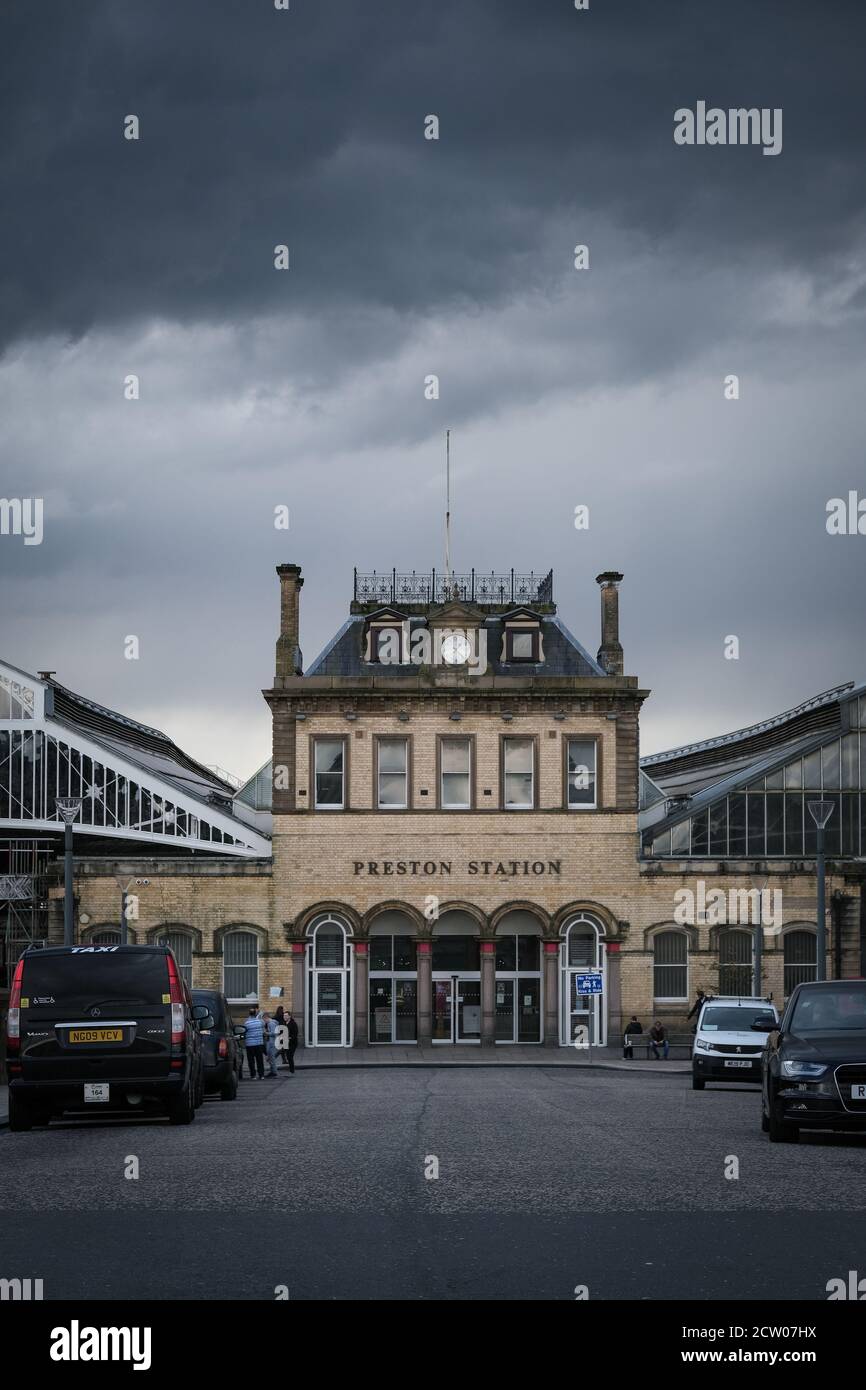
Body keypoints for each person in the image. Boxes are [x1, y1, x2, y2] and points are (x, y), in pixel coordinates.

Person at [243, 1006, 265, 1080]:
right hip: (259, 1044)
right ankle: (261, 1075)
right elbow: (263, 1026)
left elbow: (244, 1032)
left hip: (250, 1044)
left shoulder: (246, 1023)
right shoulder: (260, 1022)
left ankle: (253, 1075)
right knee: (260, 1060)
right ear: (255, 1014)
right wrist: (259, 1014)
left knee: (251, 1061)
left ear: (249, 1014)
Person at [262, 1012, 279, 1077]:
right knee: (271, 1058)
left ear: (266, 1018)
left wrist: (266, 1033)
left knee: (272, 1058)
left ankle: (274, 1072)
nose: (264, 1021)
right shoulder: (271, 1023)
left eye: (264, 1020)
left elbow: (274, 1033)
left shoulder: (271, 1023)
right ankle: (272, 1071)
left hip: (272, 1043)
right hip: (271, 1042)